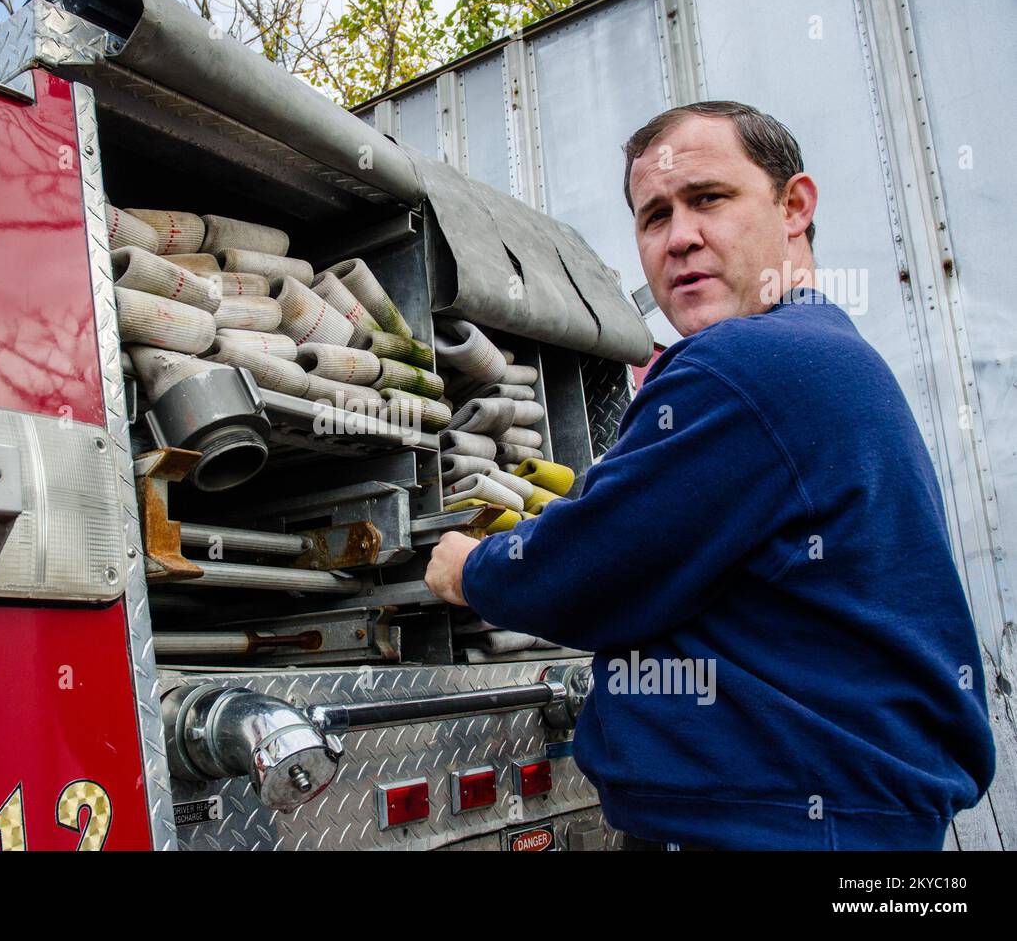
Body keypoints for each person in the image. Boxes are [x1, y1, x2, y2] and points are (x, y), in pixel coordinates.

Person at [423, 101, 995, 850]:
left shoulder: (749, 364)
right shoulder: (828, 355)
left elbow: (597, 567)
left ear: (794, 206)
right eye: (655, 216)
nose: (680, 237)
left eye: (709, 198)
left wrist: (471, 568)